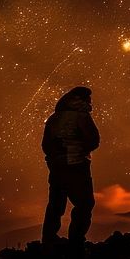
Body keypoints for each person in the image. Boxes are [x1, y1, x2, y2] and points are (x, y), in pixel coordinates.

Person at [41, 86, 100, 244]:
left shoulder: (54, 118)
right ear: (82, 100)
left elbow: (45, 145)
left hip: (56, 168)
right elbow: (94, 140)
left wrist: (56, 158)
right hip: (77, 166)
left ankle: (48, 242)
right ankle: (76, 242)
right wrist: (78, 150)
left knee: (56, 205)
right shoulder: (82, 117)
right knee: (85, 203)